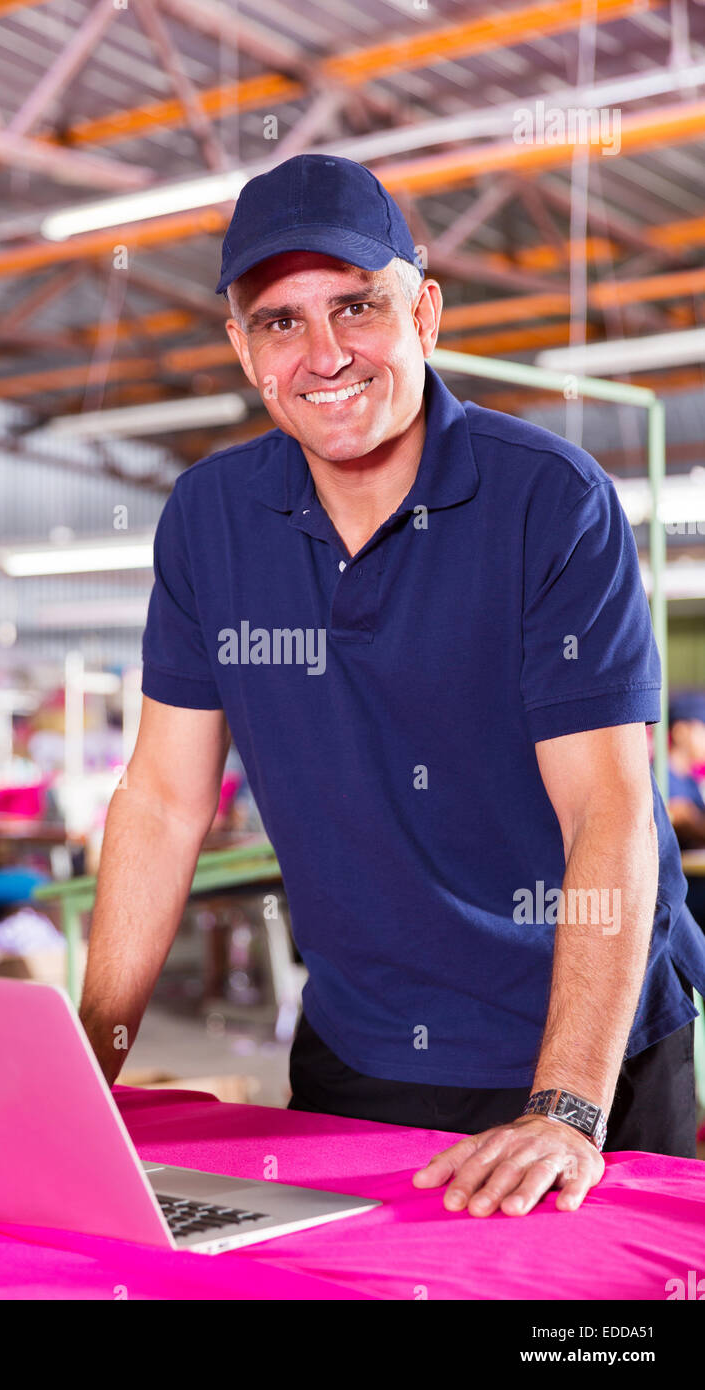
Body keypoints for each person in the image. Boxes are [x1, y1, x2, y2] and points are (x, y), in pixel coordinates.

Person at [80, 154, 705, 1220]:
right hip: (362, 1047)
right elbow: (162, 802)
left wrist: (564, 1104)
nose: (323, 354)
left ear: (423, 311)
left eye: (356, 306)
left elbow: (605, 811)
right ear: (241, 350)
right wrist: (90, 1062)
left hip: (582, 1047)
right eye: (279, 322)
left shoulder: (549, 504)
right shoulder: (209, 519)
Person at [665, 691, 705, 930]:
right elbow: (677, 815)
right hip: (681, 893)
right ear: (681, 731)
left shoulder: (691, 782)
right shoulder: (661, 776)